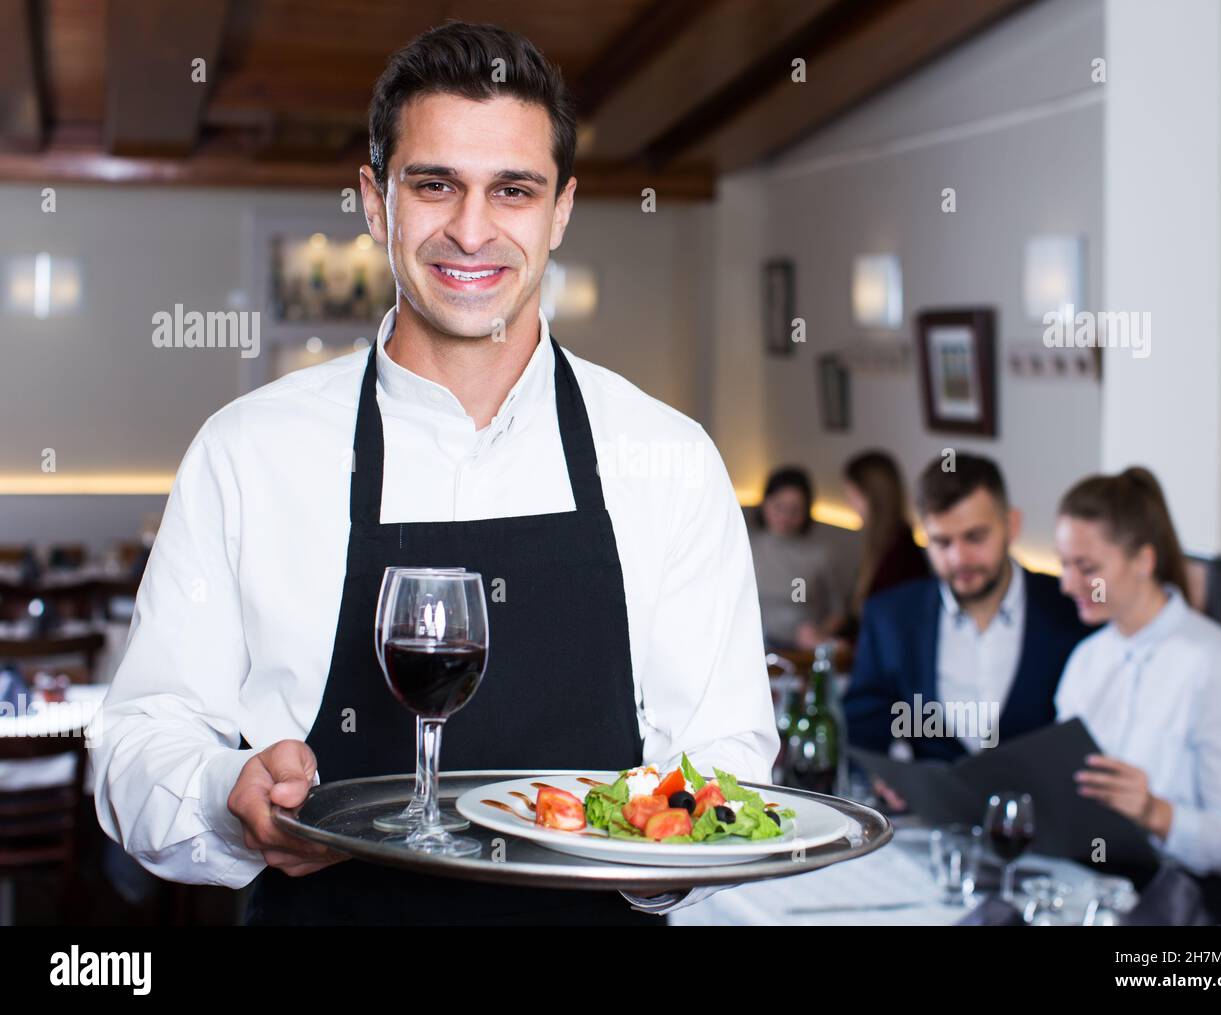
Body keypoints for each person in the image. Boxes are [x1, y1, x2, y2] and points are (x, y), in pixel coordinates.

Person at [89, 21, 777, 926]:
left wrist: (657, 852)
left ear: (561, 210)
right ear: (376, 202)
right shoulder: (248, 452)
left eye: (513, 190)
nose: (471, 229)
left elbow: (728, 763)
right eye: (435, 183)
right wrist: (228, 789)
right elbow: (139, 742)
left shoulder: (670, 459)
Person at [1054, 467, 1221, 923]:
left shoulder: (1215, 663)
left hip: (1183, 905)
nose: (1067, 585)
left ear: (1144, 561)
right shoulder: (1085, 661)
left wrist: (1157, 813)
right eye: (1064, 564)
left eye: (1086, 568)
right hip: (1089, 887)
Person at [843, 452, 1090, 764]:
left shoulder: (1070, 610)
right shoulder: (890, 617)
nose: (959, 559)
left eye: (975, 537)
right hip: (927, 810)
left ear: (1011, 525)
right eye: (942, 542)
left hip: (1046, 810)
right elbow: (861, 734)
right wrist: (879, 777)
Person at [835, 450, 930, 644]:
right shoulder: (881, 545)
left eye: (852, 495)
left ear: (871, 497)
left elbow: (892, 630)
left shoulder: (901, 556)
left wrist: (841, 645)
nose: (848, 503)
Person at [748, 467, 839, 651]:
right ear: (765, 503)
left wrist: (819, 633)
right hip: (753, 642)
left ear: (806, 511)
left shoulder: (819, 555)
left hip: (803, 646)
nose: (786, 516)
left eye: (795, 509)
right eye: (779, 507)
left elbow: (837, 610)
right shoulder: (746, 547)